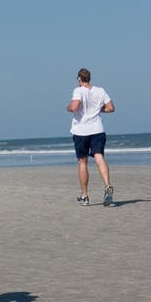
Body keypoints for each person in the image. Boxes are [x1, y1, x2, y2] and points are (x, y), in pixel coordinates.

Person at [67, 68, 115, 206]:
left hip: (81, 131)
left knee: (83, 162)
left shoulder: (79, 90)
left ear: (79, 80)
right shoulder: (100, 90)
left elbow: (75, 107)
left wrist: (68, 107)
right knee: (99, 156)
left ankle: (85, 196)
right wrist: (97, 109)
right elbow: (111, 108)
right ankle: (107, 186)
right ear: (90, 78)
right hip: (97, 130)